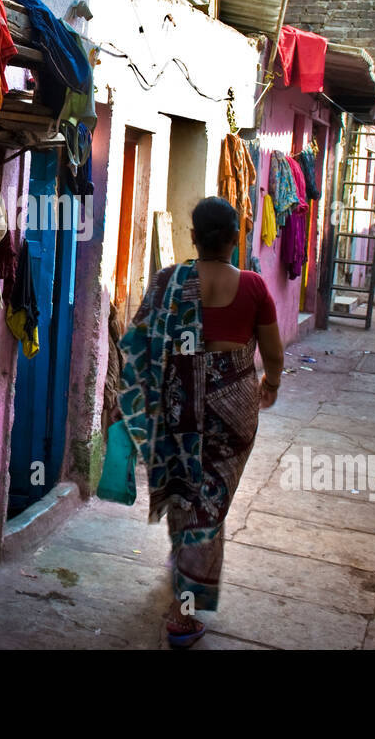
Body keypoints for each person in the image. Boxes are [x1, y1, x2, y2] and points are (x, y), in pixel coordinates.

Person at [118, 196, 284, 648]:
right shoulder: (252, 286)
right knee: (211, 502)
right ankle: (183, 614)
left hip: (179, 408)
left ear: (192, 236)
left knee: (184, 487)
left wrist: (136, 397)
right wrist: (270, 384)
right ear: (235, 238)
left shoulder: (169, 280)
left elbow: (136, 340)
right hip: (233, 413)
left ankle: (182, 571)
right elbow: (273, 356)